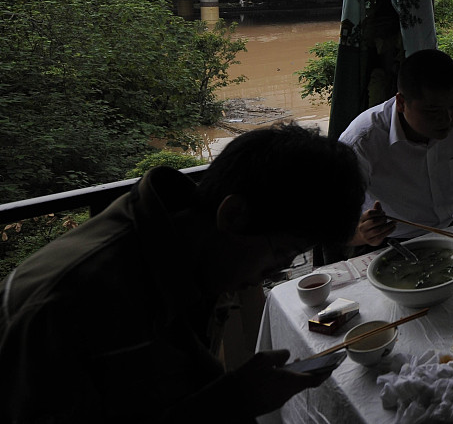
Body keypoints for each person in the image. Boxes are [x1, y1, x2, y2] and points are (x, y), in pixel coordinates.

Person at [0, 124, 365, 424]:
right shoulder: (64, 308)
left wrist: (228, 393)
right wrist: (230, 402)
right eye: (281, 253)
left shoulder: (190, 251)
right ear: (233, 215)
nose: (269, 275)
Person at [340, 48, 453, 246]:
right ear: (401, 103)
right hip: (394, 239)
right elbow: (330, 224)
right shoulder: (362, 141)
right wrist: (361, 234)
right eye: (432, 110)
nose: (448, 119)